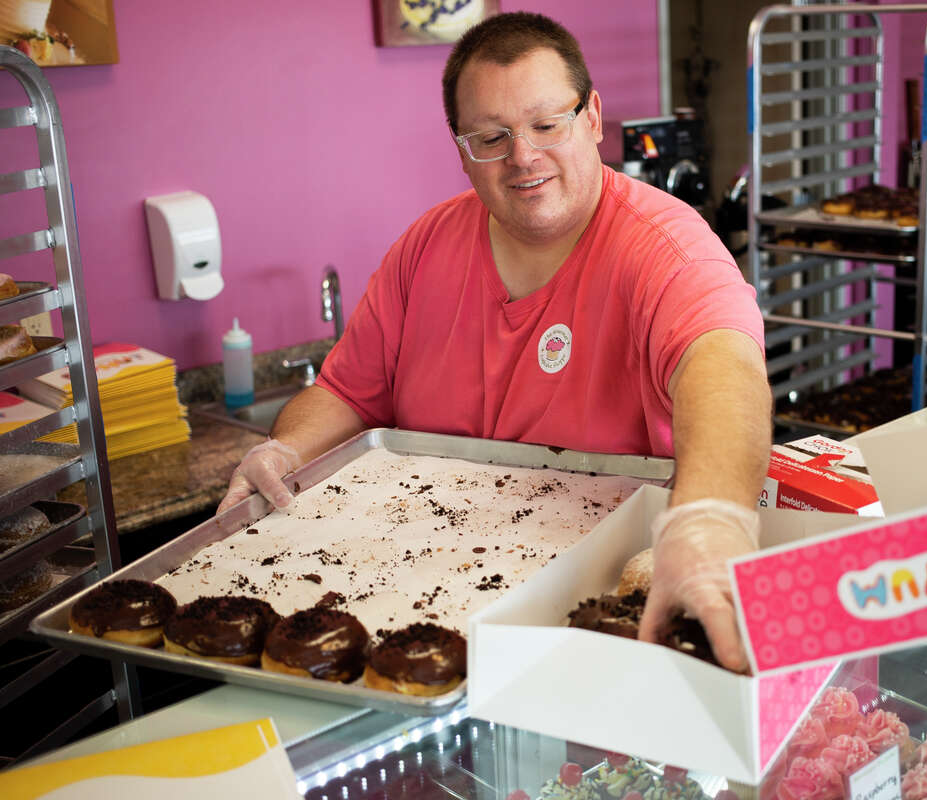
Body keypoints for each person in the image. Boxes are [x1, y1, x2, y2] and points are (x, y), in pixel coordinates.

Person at [217, 12, 771, 672]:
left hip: (592, 621)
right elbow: (346, 389)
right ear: (461, 148)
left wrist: (707, 522)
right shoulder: (424, 250)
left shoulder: (666, 252)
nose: (523, 157)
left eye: (547, 125)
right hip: (424, 604)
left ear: (592, 117)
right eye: (492, 136)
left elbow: (725, 370)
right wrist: (286, 451)